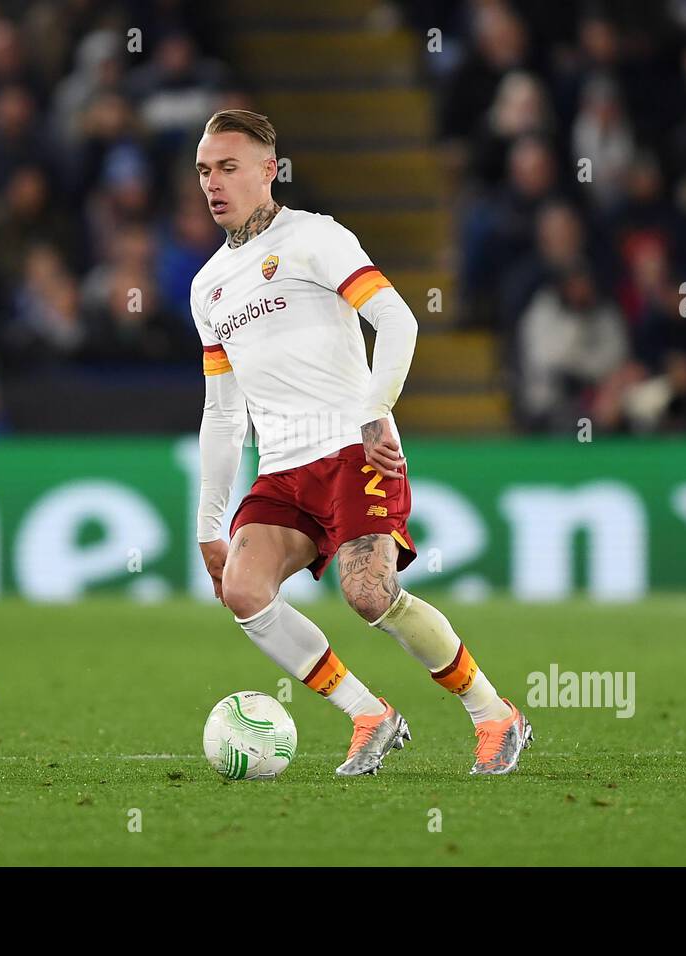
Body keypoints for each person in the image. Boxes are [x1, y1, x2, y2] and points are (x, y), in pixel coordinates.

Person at [190, 110, 533, 777]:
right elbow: (223, 410)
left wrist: (376, 410)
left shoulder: (316, 237)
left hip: (353, 448)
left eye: (228, 167)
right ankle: (368, 715)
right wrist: (209, 522)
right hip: (283, 468)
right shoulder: (208, 287)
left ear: (268, 171)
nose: (214, 183)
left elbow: (396, 320)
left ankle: (495, 716)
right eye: (204, 170)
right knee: (242, 587)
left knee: (369, 594)